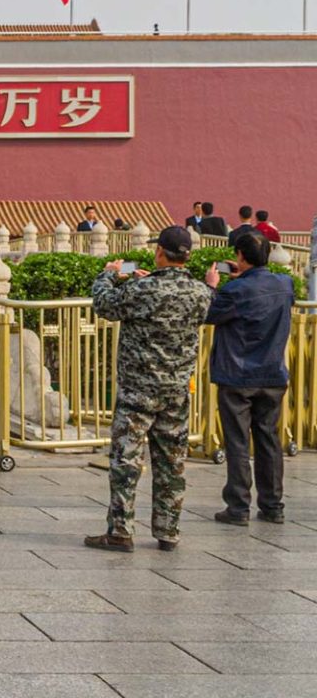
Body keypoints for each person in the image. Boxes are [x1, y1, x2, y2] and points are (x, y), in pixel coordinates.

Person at [86, 226, 213, 552]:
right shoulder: (200, 292)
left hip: (137, 390)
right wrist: (210, 285)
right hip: (176, 391)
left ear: (159, 251)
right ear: (188, 255)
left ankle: (121, 531)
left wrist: (109, 274)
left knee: (126, 462)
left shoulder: (142, 288)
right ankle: (168, 531)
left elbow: (104, 304)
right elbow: (209, 300)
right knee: (172, 463)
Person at [205, 230, 294, 525]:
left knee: (238, 442)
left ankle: (238, 506)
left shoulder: (234, 291)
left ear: (240, 257)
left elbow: (208, 314)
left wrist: (212, 287)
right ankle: (273, 506)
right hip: (272, 374)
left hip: (238, 375)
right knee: (269, 440)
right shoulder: (285, 284)